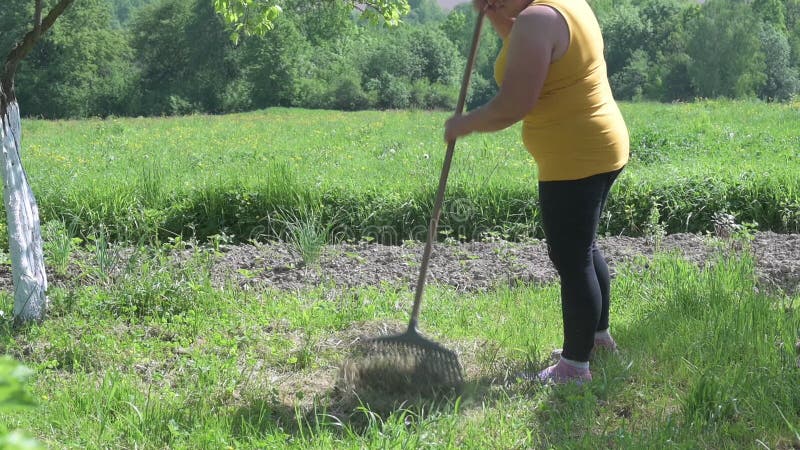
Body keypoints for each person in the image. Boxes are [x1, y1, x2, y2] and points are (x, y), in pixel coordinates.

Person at [444, 0, 629, 384]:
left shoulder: (536, 19)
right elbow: (540, 57)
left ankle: (574, 368)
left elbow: (514, 104)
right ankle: (597, 340)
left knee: (571, 257)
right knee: (584, 248)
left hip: (575, 156)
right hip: (598, 144)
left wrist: (465, 123)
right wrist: (500, 20)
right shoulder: (561, 6)